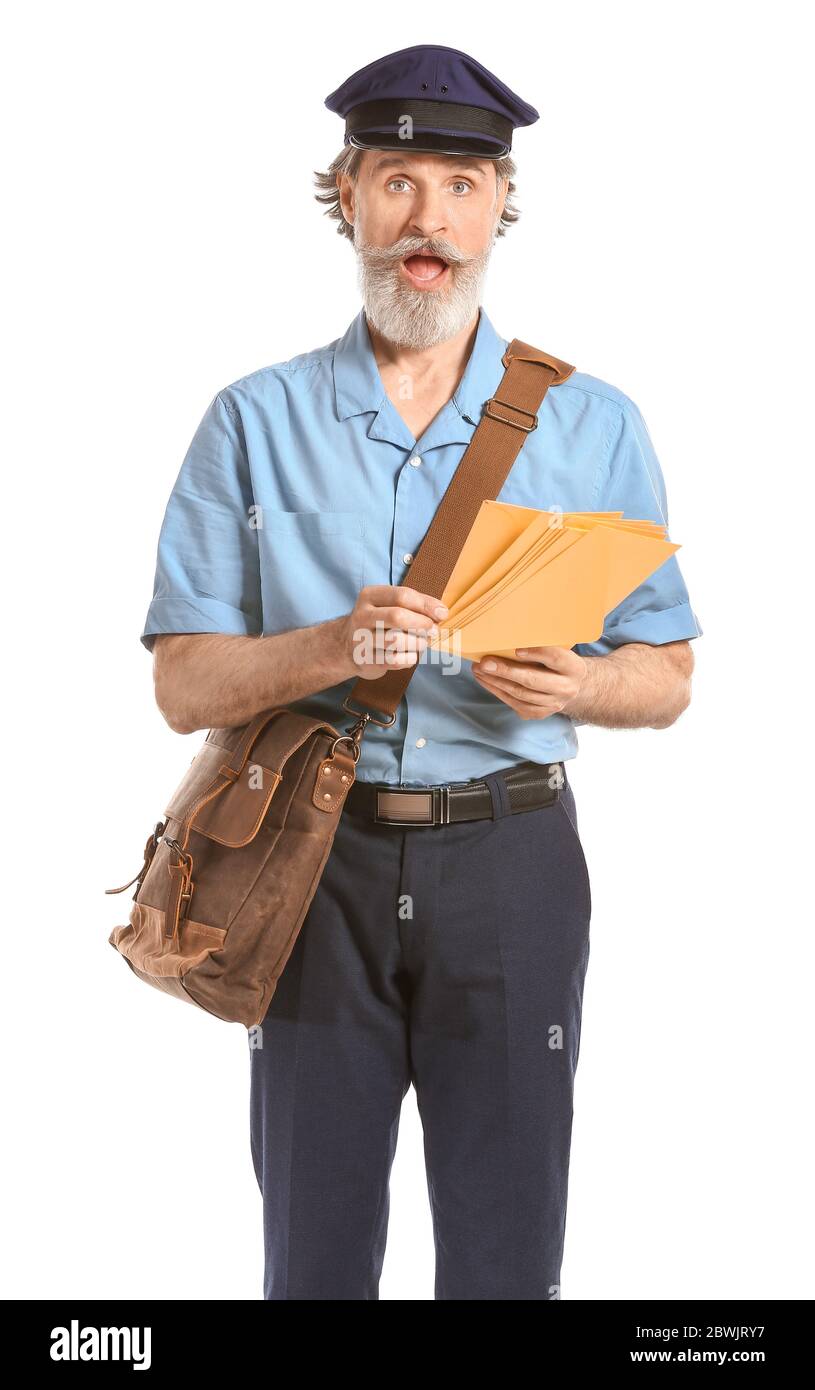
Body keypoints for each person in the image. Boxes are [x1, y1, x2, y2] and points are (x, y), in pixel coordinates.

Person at [141, 44, 703, 1300]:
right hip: (308, 864)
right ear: (346, 195)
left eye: (459, 187)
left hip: (511, 864)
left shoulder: (593, 420)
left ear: (501, 205)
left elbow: (665, 673)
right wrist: (335, 646)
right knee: (314, 1255)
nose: (428, 223)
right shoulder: (251, 419)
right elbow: (181, 683)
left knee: (508, 1258)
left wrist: (580, 687)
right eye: (398, 182)